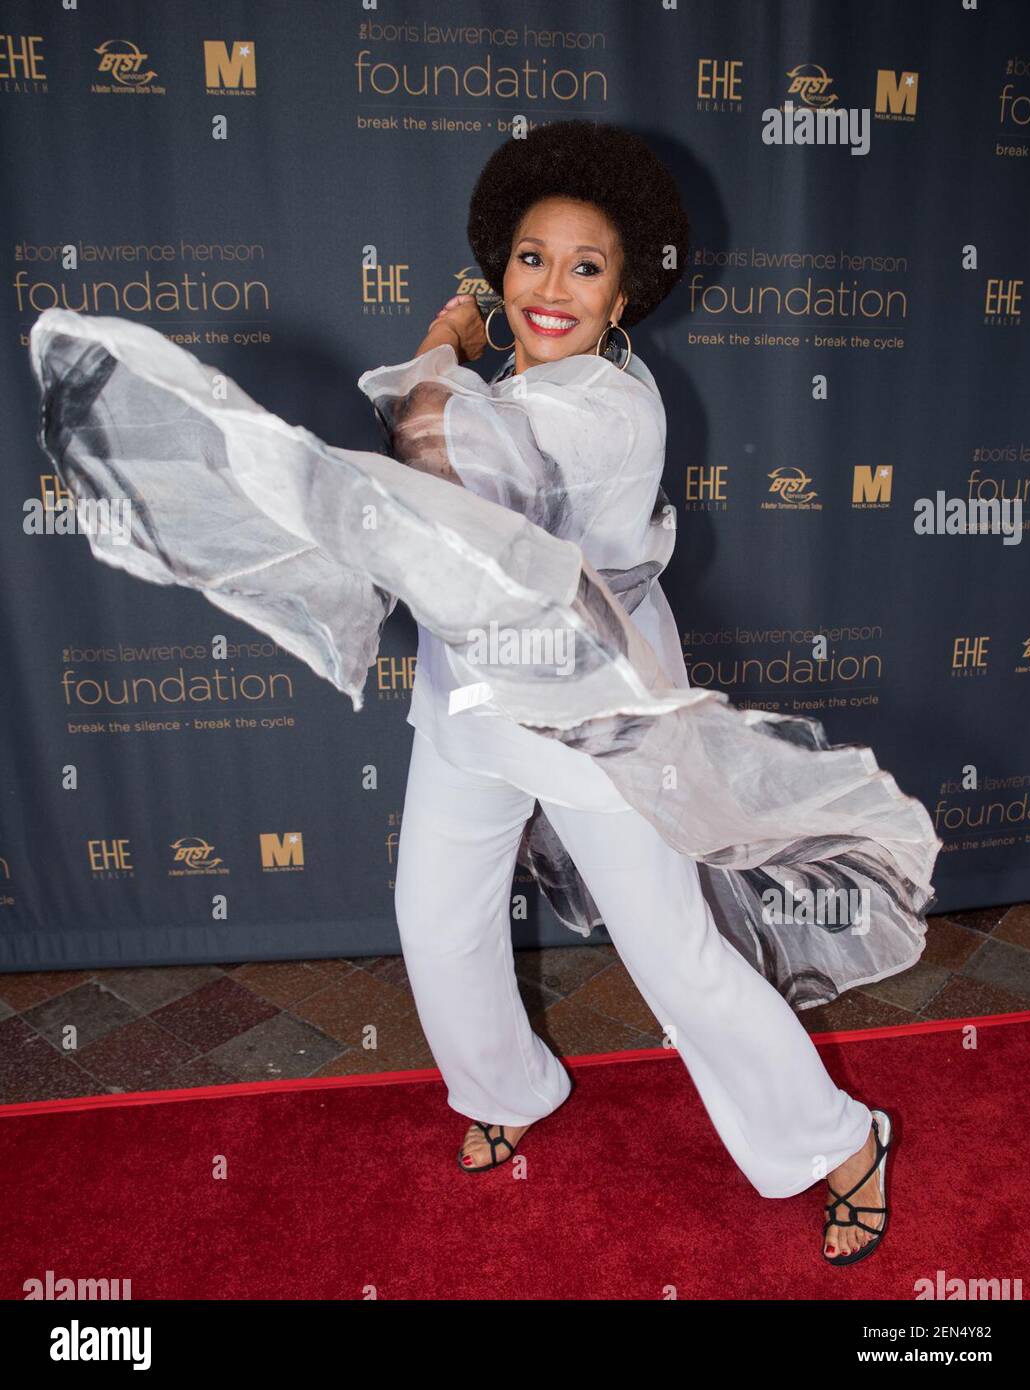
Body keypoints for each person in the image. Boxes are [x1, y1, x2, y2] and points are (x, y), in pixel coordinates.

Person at [29, 120, 938, 1267]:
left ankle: (840, 1142)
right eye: (531, 258)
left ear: (624, 298)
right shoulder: (511, 379)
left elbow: (438, 450)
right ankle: (506, 1083)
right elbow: (438, 472)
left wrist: (436, 346)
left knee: (675, 958)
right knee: (436, 918)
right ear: (499, 267)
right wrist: (453, 356)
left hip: (593, 715)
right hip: (469, 698)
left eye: (586, 267)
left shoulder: (609, 410)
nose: (551, 287)